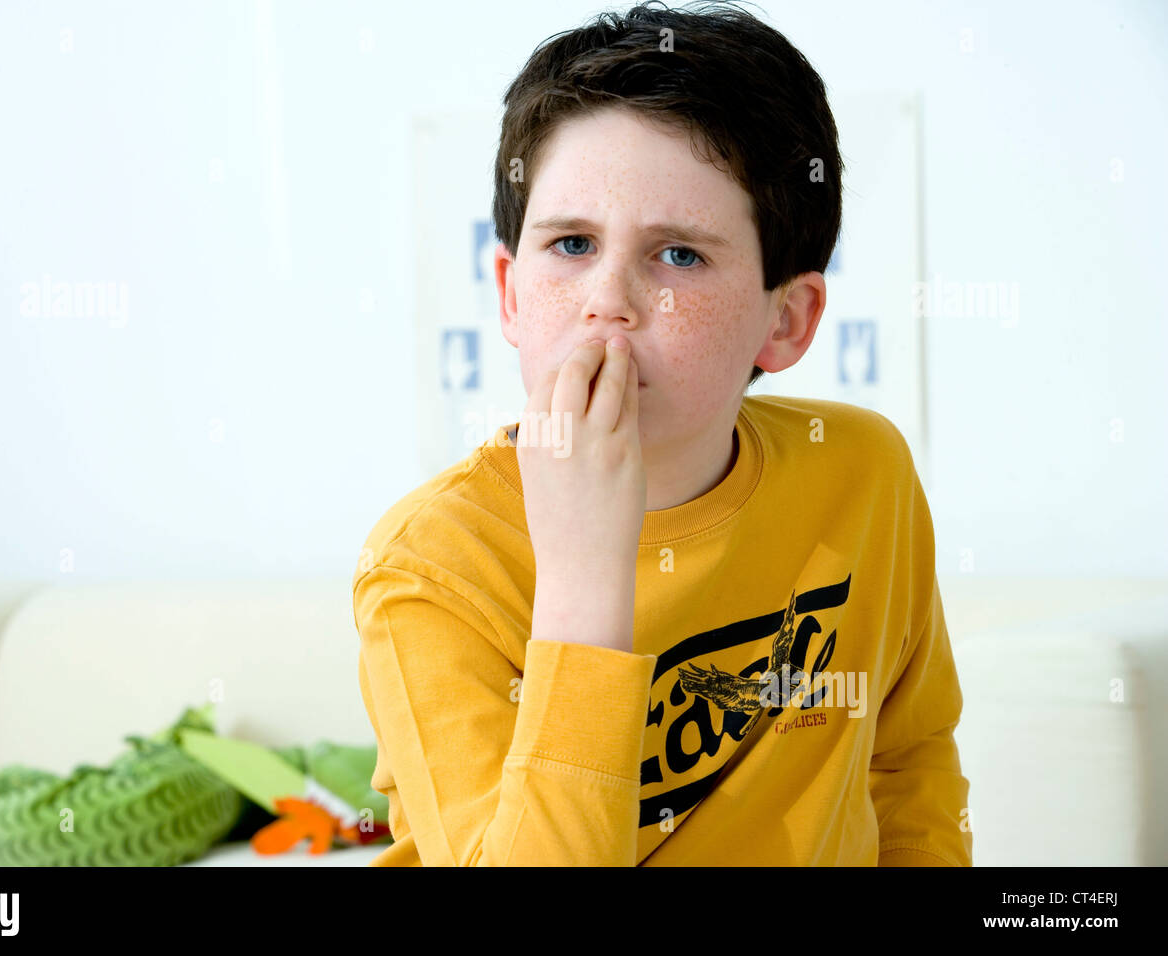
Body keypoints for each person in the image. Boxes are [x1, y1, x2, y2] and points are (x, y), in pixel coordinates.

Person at [352, 0, 972, 866]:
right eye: (571, 244)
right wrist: (580, 574)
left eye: (677, 255)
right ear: (511, 295)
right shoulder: (432, 566)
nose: (608, 297)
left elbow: (908, 763)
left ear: (787, 321)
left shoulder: (864, 472)